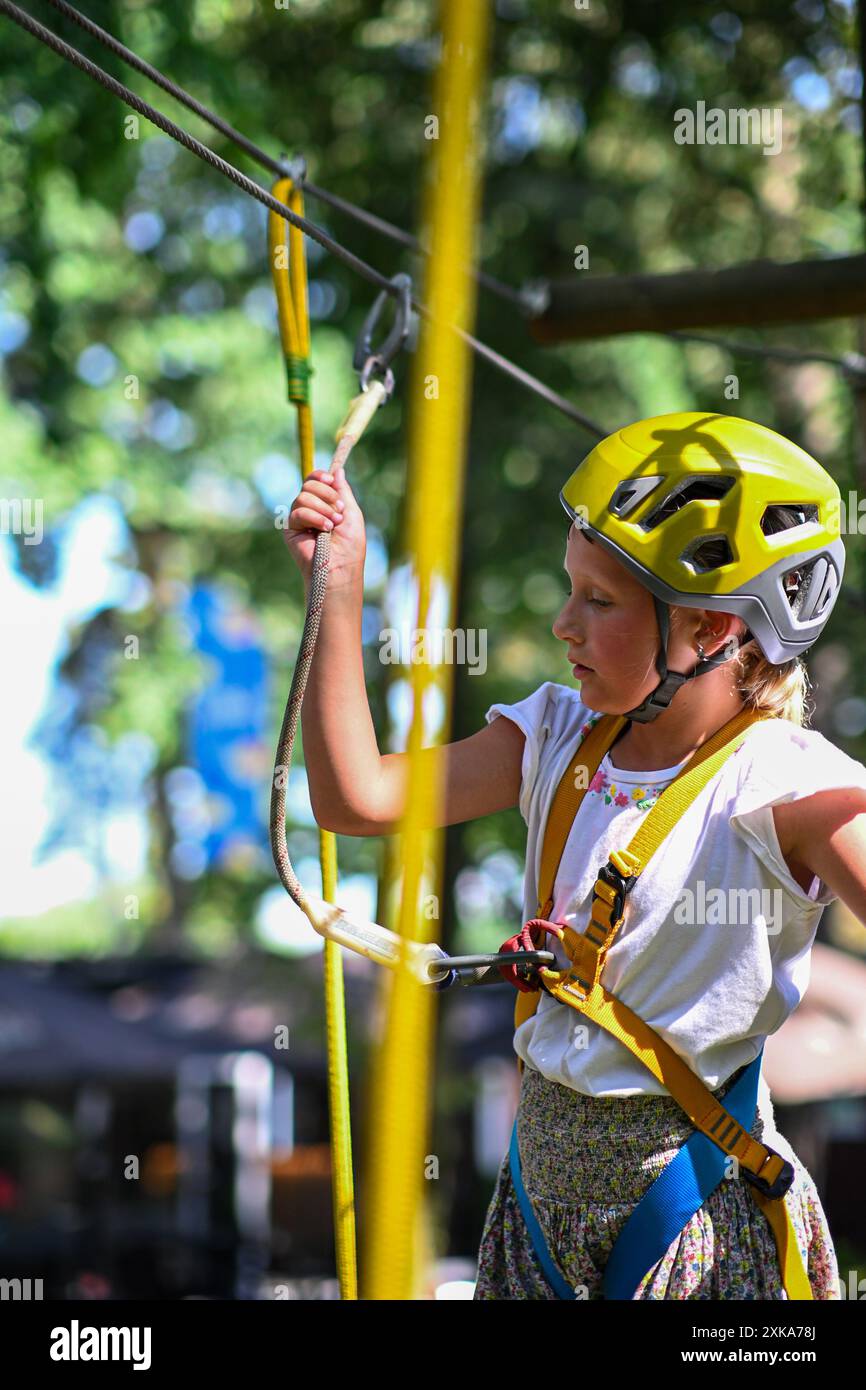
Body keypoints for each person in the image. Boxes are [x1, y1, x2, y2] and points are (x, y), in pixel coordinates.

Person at [285, 410, 866, 1300]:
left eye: (600, 601)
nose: (565, 624)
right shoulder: (557, 738)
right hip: (537, 1211)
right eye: (571, 590)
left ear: (711, 630)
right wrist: (342, 585)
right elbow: (356, 797)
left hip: (696, 1225)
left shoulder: (779, 783)